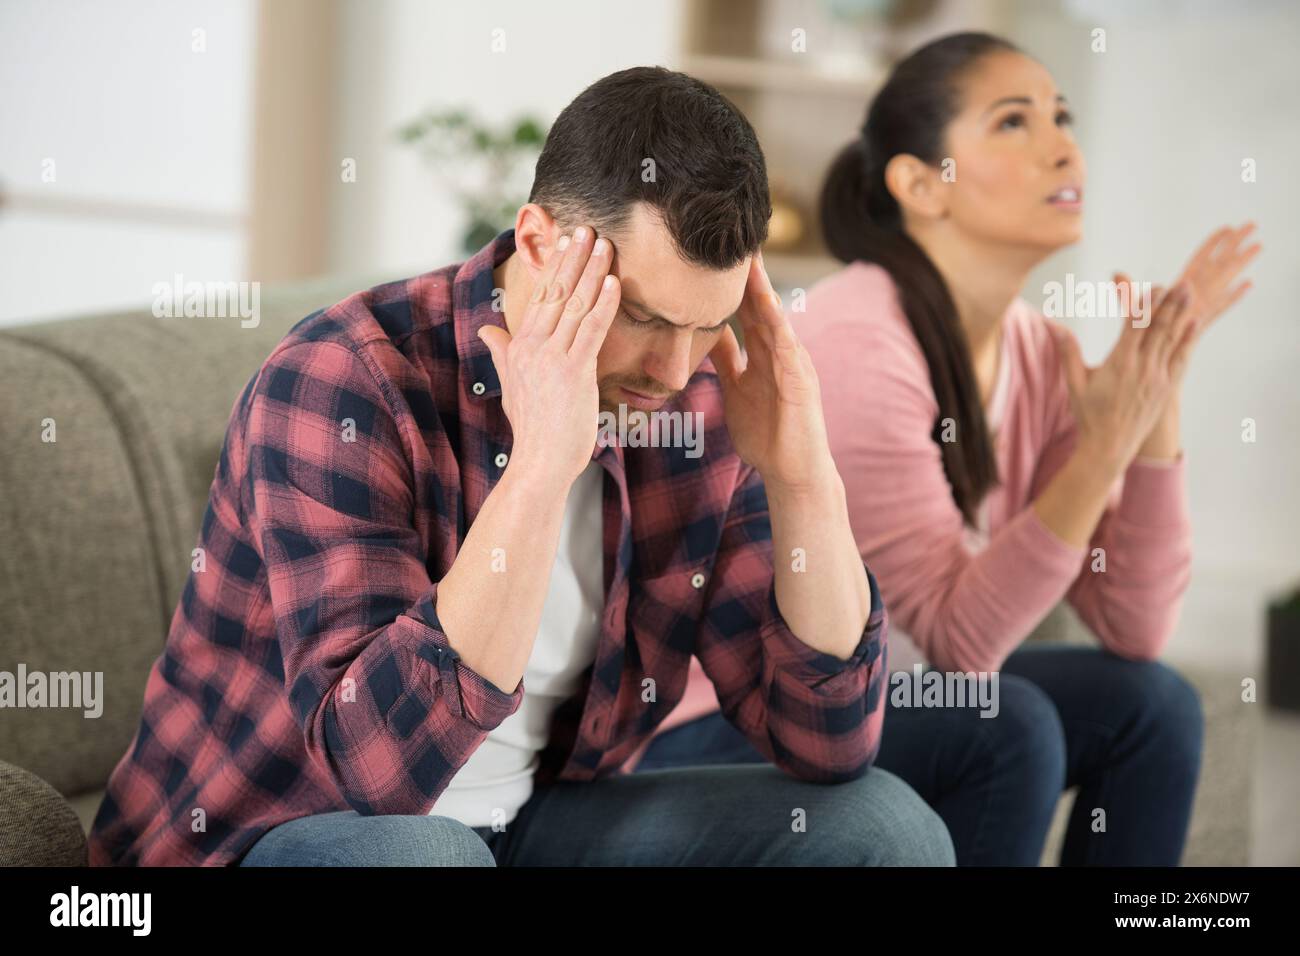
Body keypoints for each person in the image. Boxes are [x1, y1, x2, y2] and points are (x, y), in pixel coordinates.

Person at [87, 66, 953, 867]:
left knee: (881, 827)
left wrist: (805, 474)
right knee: (426, 855)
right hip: (289, 835)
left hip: (535, 822)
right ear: (539, 242)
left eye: (707, 324)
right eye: (646, 317)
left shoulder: (695, 398)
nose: (673, 371)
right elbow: (381, 777)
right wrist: (540, 467)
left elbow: (827, 743)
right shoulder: (345, 378)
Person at [634, 33, 1259, 866]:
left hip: (883, 701)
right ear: (921, 183)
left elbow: (1135, 626)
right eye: (1013, 122)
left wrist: (1156, 408)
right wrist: (1104, 448)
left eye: (1062, 117)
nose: (1062, 144)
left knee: (1152, 704)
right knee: (1013, 727)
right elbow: (959, 645)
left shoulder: (1039, 351)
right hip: (729, 723)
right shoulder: (862, 338)